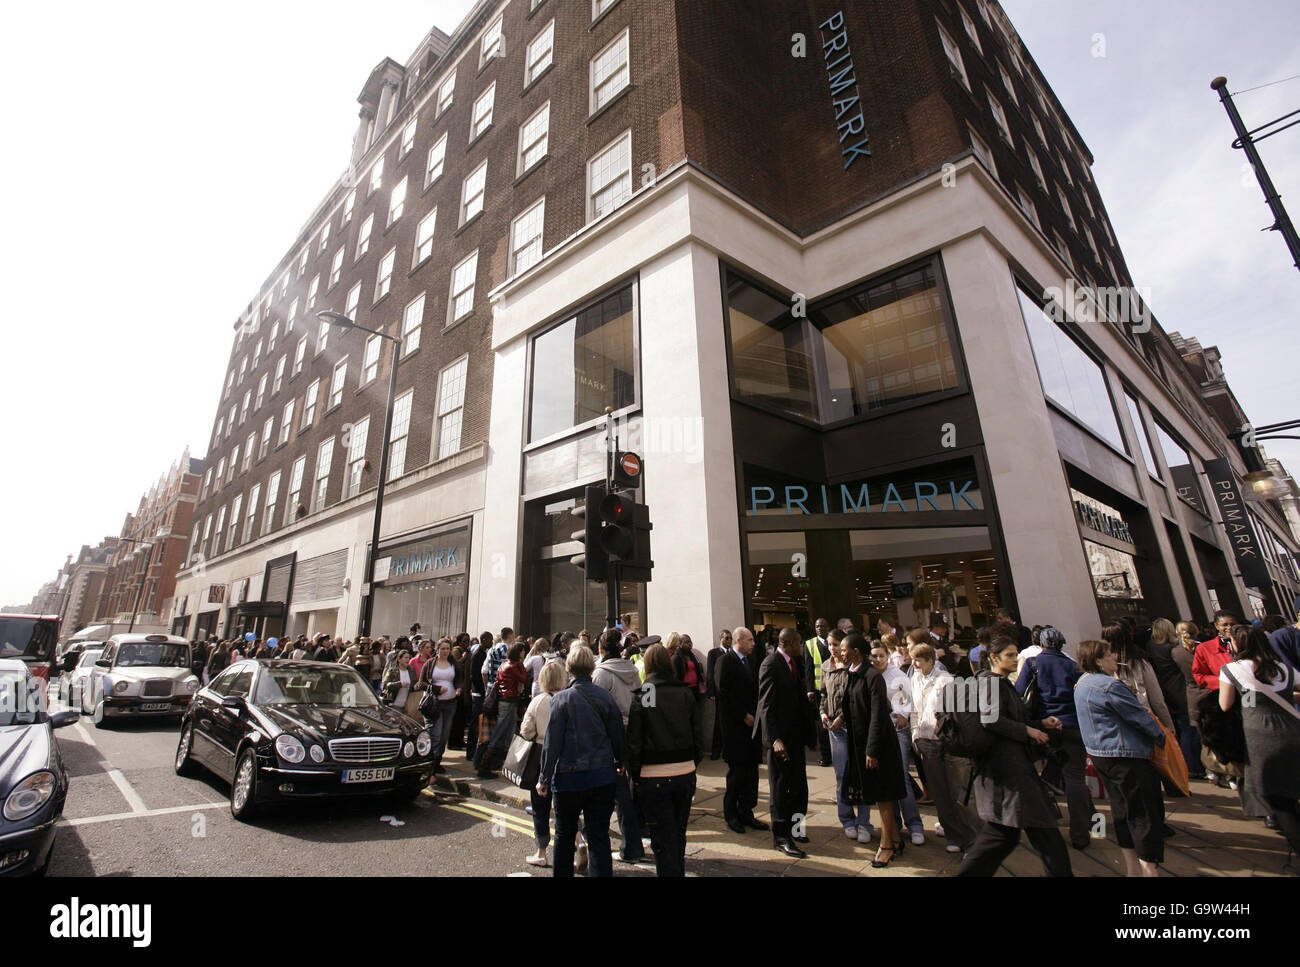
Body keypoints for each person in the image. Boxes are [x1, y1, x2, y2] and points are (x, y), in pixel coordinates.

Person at [955, 636, 1073, 877]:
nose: (1015, 658)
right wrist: (1028, 730)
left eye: (1016, 653)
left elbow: (1008, 718)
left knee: (1003, 836)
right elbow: (991, 720)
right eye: (1009, 655)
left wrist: (1039, 723)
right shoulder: (992, 683)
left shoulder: (999, 683)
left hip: (1009, 770)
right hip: (1008, 771)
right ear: (994, 658)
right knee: (1041, 833)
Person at [1072, 637, 1167, 876]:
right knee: (1143, 813)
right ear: (1098, 660)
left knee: (1122, 810)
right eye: (1109, 654)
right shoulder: (1110, 686)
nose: (1115, 657)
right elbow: (1140, 718)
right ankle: (1149, 869)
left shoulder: (1081, 683)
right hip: (1126, 754)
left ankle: (1133, 868)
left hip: (1101, 754)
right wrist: (1162, 738)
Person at [536, 644, 626, 878]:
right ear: (592, 667)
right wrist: (620, 764)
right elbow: (618, 735)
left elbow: (551, 743)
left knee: (564, 836)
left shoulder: (561, 700)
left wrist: (544, 777)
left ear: (569, 668)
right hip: (602, 777)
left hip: (568, 779)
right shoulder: (606, 697)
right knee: (598, 836)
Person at [1218, 625, 1300, 874]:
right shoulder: (1282, 668)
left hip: (1260, 736)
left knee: (1279, 800)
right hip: (1292, 729)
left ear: (1237, 645)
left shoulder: (1231, 669)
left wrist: (1252, 699)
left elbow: (1225, 704)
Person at [628, 643, 705, 876]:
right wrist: (691, 763)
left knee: (662, 839)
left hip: (654, 776)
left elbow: (636, 740)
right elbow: (698, 735)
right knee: (678, 834)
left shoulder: (648, 693)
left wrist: (636, 773)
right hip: (685, 773)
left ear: (648, 664)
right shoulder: (684, 692)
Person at [1015, 626, 1095, 849]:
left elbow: (1019, 691)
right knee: (1075, 779)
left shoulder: (1033, 664)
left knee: (1032, 772)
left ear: (1041, 644)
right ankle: (1081, 833)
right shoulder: (1072, 665)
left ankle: (1042, 827)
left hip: (1044, 727)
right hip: (1072, 725)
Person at [841, 632, 904, 867]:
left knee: (884, 795)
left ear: (856, 653)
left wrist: (872, 750)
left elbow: (878, 715)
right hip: (861, 743)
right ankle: (895, 838)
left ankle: (887, 845)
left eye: (845, 649)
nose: (841, 653)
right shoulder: (854, 674)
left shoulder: (872, 676)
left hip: (878, 746)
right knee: (878, 793)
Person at [909, 642, 978, 853]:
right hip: (925, 741)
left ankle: (970, 839)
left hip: (946, 742)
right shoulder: (914, 679)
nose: (914, 664)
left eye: (918, 660)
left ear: (930, 660)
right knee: (939, 792)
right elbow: (913, 708)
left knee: (957, 791)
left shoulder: (946, 681)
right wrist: (915, 734)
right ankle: (953, 835)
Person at [756, 628, 817, 858]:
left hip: (797, 735)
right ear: (789, 642)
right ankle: (781, 837)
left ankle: (797, 828)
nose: (801, 646)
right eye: (799, 643)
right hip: (780, 739)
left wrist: (810, 735)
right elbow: (767, 705)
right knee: (781, 788)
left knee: (799, 786)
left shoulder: (795, 662)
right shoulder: (771, 664)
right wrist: (774, 739)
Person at [591, 628, 647, 863]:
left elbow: (595, 710)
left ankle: (630, 847)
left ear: (602, 649)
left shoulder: (601, 674)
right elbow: (645, 700)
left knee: (618, 793)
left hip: (611, 736)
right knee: (631, 787)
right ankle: (637, 838)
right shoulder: (633, 670)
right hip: (633, 732)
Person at [822, 634, 876, 842]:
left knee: (860, 774)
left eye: (837, 645)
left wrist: (843, 717)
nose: (834, 649)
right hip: (834, 728)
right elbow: (823, 694)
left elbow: (856, 697)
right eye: (831, 645)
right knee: (842, 775)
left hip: (854, 727)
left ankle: (864, 822)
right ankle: (846, 818)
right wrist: (823, 713)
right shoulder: (827, 666)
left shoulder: (856, 668)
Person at [871, 642, 924, 846]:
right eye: (873, 656)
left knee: (901, 777)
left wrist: (902, 714)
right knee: (886, 780)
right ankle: (894, 824)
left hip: (898, 731)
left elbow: (909, 700)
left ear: (887, 655)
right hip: (880, 733)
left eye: (880, 656)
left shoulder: (899, 675)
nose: (877, 660)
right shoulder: (872, 675)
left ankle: (915, 824)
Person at [717, 626, 767, 835]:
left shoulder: (752, 662)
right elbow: (723, 694)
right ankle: (731, 814)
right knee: (737, 773)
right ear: (739, 640)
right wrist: (742, 715)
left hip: (752, 728)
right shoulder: (725, 661)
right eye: (749, 640)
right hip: (735, 728)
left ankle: (747, 811)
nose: (753, 643)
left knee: (751, 773)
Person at [520, 660, 567, 867]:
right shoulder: (569, 699)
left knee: (540, 807)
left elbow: (526, 731)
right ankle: (578, 840)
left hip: (540, 756)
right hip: (565, 757)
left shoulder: (538, 701)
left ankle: (541, 852)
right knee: (566, 805)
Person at [477, 641, 528, 777]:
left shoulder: (505, 664)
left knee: (509, 732)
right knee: (500, 732)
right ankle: (485, 765)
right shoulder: (513, 666)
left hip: (507, 701)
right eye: (522, 651)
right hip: (508, 701)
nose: (524, 653)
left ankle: (498, 762)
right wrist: (521, 663)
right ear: (519, 653)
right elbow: (524, 677)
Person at [419, 638, 463, 774]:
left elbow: (459, 679)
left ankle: (437, 760)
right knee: (436, 735)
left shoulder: (453, 663)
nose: (445, 651)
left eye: (448, 649)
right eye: (442, 648)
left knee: (444, 735)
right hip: (435, 704)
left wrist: (458, 689)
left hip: (450, 703)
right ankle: (430, 763)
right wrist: (437, 689)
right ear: (437, 649)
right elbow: (421, 683)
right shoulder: (430, 664)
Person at [803, 618, 834, 768]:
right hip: (818, 689)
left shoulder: (835, 641)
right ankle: (825, 755)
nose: (820, 628)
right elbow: (808, 668)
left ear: (828, 627)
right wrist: (809, 689)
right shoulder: (809, 644)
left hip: (835, 687)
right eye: (817, 626)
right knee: (822, 724)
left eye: (822, 626)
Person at [466, 631, 492, 763]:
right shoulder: (478, 655)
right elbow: (474, 676)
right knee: (475, 723)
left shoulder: (484, 653)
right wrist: (483, 691)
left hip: (481, 693)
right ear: (484, 640)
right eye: (490, 640)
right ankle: (470, 752)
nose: (491, 642)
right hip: (478, 694)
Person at [705, 629, 731, 759]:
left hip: (731, 693)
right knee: (719, 722)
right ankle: (716, 749)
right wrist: (711, 692)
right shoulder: (714, 653)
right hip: (719, 693)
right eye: (726, 638)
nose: (728, 641)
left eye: (730, 638)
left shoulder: (733, 653)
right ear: (720, 639)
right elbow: (710, 673)